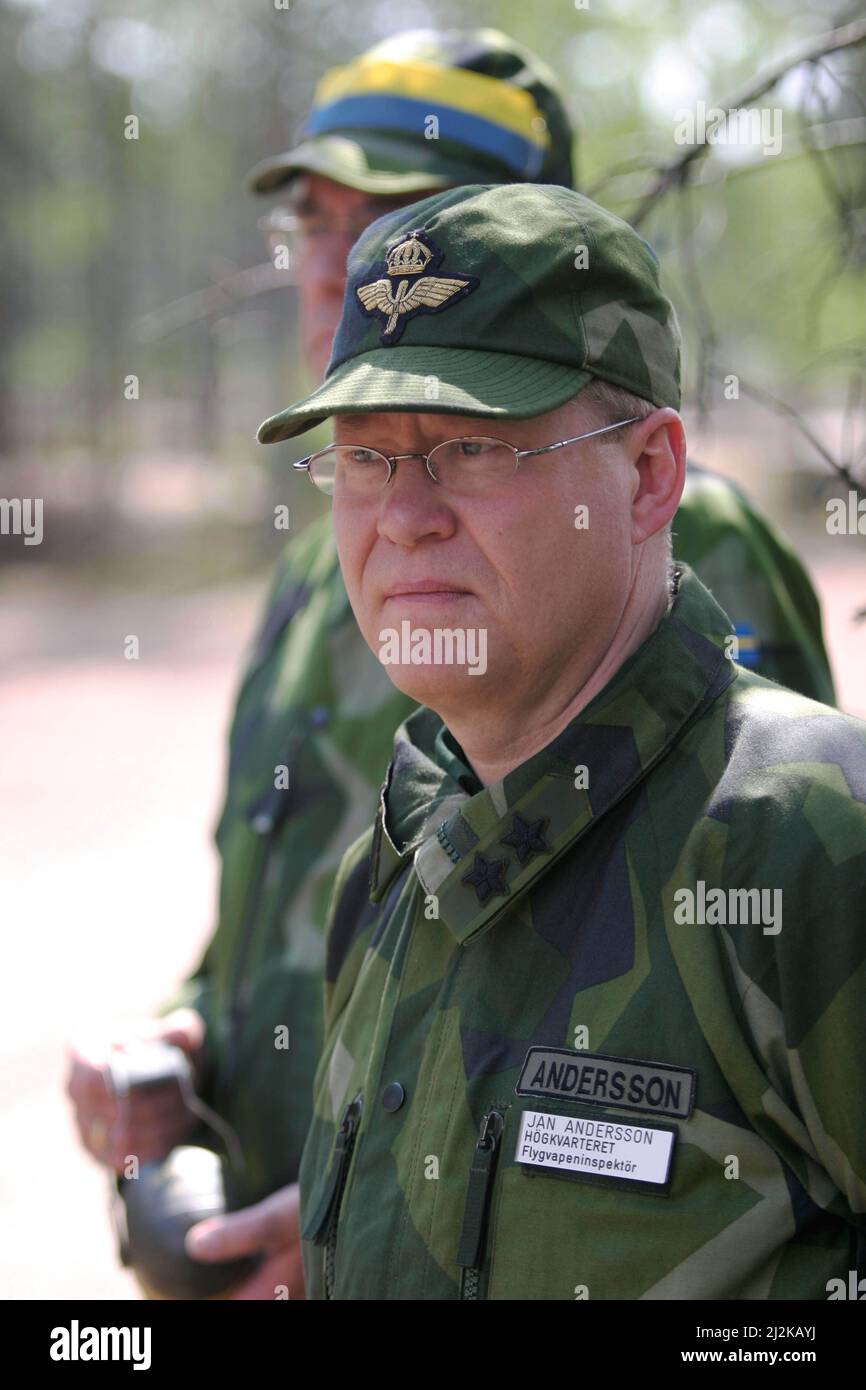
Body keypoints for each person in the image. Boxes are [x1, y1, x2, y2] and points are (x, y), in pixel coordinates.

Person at [65, 30, 837, 1299]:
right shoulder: (337, 585)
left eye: (399, 222)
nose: (345, 266)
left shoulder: (691, 576)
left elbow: (740, 951)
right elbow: (271, 909)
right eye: (318, 222)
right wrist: (189, 1039)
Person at [255, 181, 866, 1300]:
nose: (404, 515)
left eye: (474, 448)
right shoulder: (391, 869)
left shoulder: (802, 841)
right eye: (361, 456)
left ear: (648, 475)